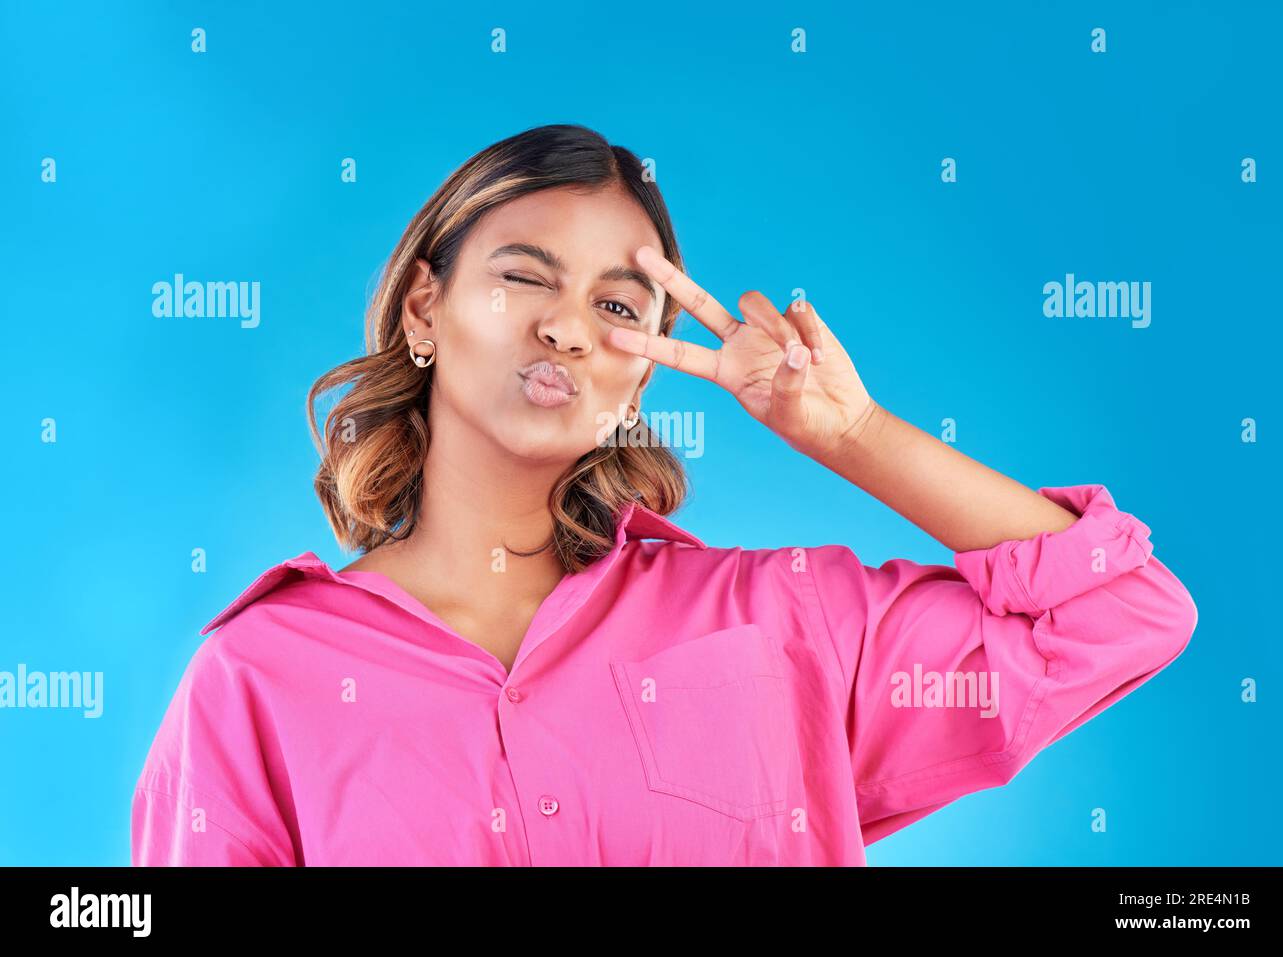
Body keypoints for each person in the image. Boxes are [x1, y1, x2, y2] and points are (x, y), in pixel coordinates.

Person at [130, 124, 1197, 866]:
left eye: (617, 305)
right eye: (522, 275)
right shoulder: (259, 679)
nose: (568, 328)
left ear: (641, 370)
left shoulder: (784, 626)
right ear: (424, 305)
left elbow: (1118, 613)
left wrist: (852, 435)